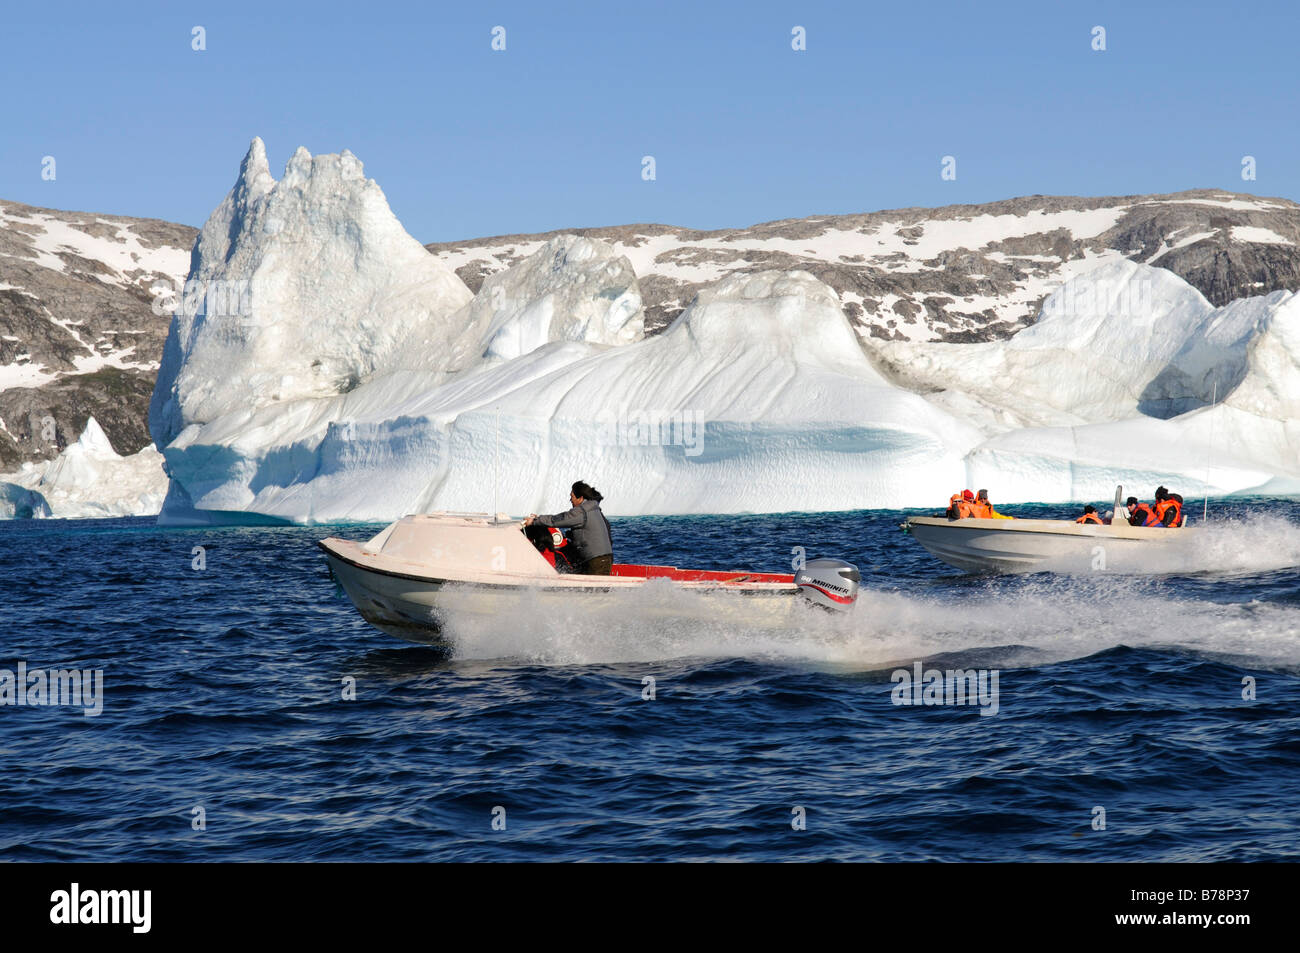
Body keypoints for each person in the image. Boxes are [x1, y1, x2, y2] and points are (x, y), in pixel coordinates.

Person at [525, 481, 614, 575]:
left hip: (597, 561)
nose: (570, 500)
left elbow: (559, 519)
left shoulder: (582, 511)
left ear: (580, 498)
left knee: (595, 589)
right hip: (603, 558)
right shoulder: (593, 511)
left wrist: (536, 521)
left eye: (572, 497)